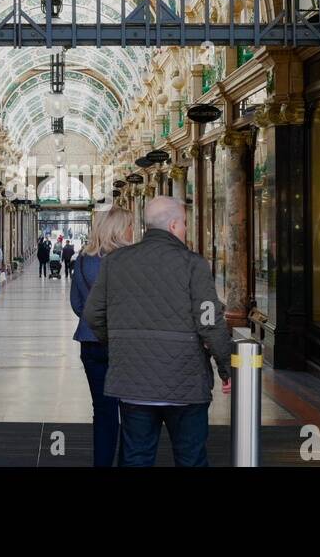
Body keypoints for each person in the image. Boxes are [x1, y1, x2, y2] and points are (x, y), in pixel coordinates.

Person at [83, 196, 232, 467]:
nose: (185, 229)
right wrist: (226, 367)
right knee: (191, 458)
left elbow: (93, 315)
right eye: (185, 224)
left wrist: (119, 343)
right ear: (174, 225)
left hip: (133, 382)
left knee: (136, 457)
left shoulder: (115, 262)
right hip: (185, 383)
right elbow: (210, 322)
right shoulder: (194, 264)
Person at [70, 207, 133, 467]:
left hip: (91, 343)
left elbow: (76, 303)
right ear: (120, 229)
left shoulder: (84, 259)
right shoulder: (129, 259)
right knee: (131, 413)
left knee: (103, 411)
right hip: (124, 344)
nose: (133, 231)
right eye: (130, 226)